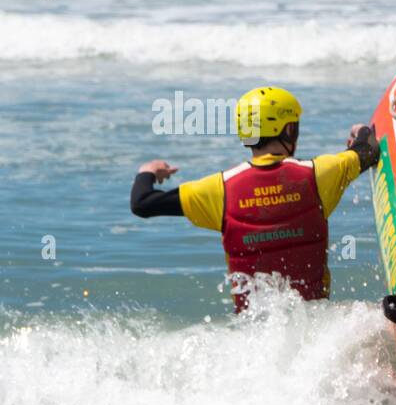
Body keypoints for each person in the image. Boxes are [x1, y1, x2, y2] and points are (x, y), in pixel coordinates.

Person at [130, 86, 380, 311]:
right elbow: (368, 150)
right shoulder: (319, 174)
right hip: (316, 323)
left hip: (255, 334)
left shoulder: (219, 189)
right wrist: (360, 131)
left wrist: (148, 170)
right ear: (290, 129)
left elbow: (143, 203)